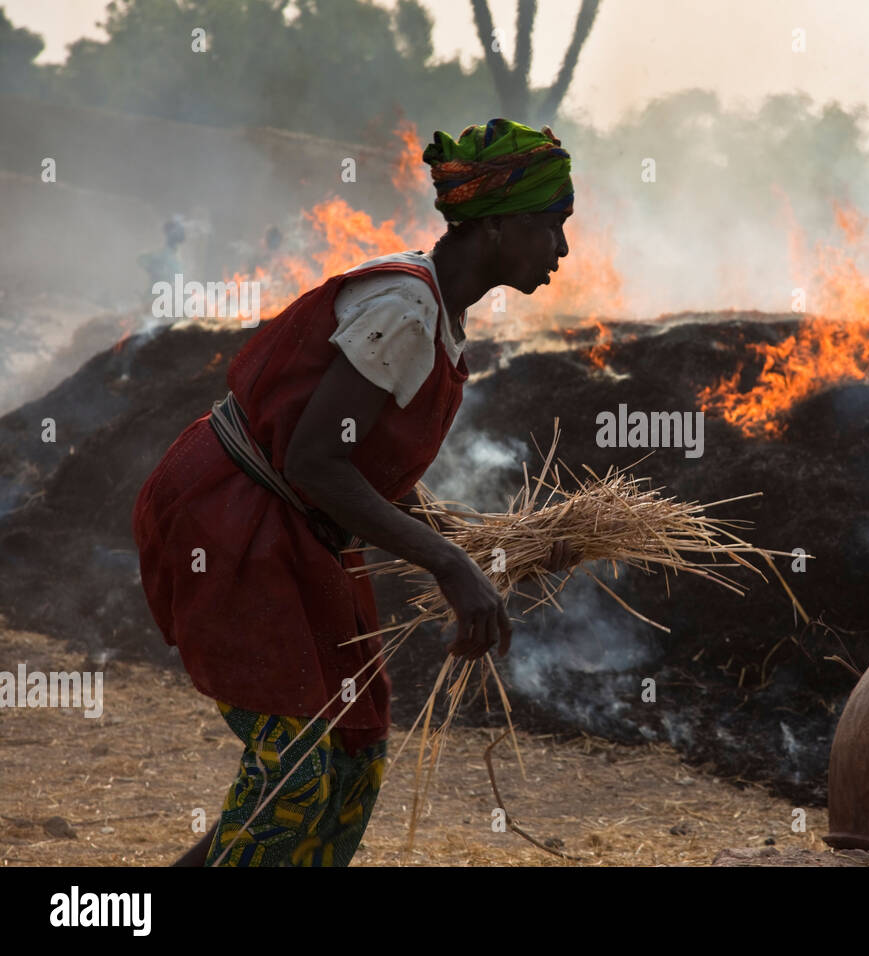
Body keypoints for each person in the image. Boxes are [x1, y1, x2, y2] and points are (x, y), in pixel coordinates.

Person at [132, 119, 579, 867]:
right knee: (296, 773)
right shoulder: (404, 311)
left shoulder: (436, 310)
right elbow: (316, 461)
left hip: (292, 526)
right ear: (498, 226)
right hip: (233, 519)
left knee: (348, 763)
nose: (562, 250)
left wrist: (481, 543)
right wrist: (448, 565)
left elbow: (358, 467)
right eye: (552, 226)